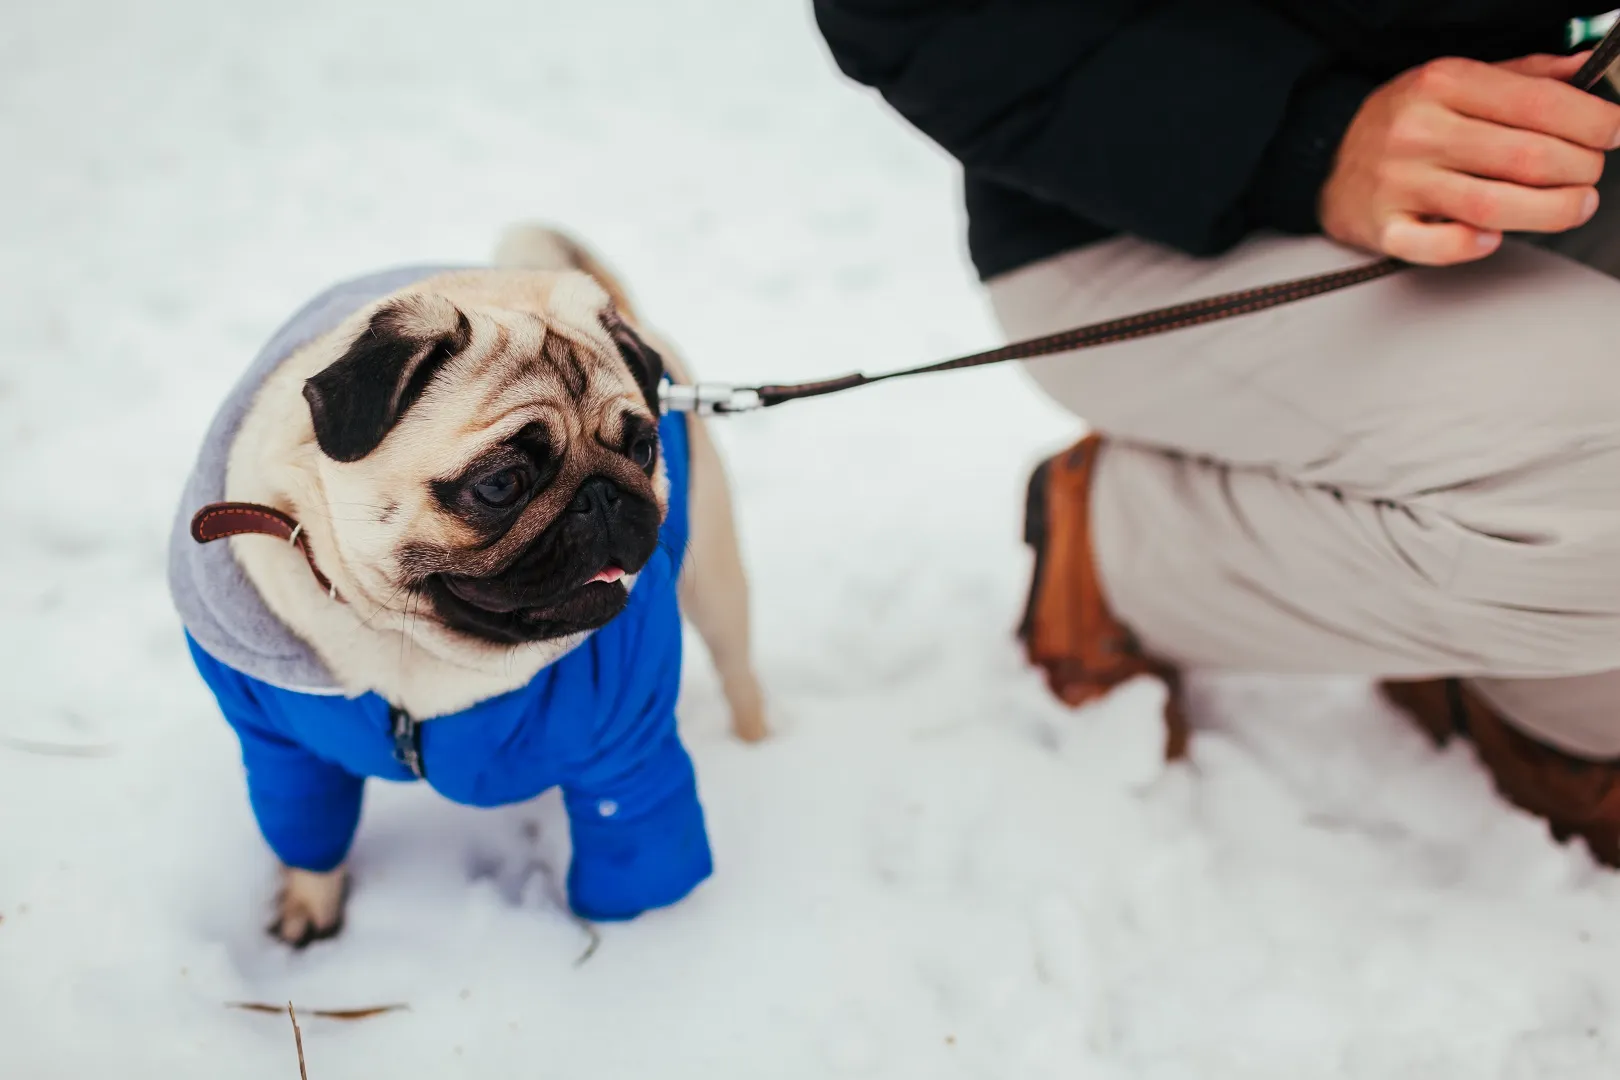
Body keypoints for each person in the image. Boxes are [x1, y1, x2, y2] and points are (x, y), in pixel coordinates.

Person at [813, 2, 1620, 864]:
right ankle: (1122, 545)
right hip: (1149, 205)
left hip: (1551, 143)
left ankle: (1505, 629)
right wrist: (1314, 137)